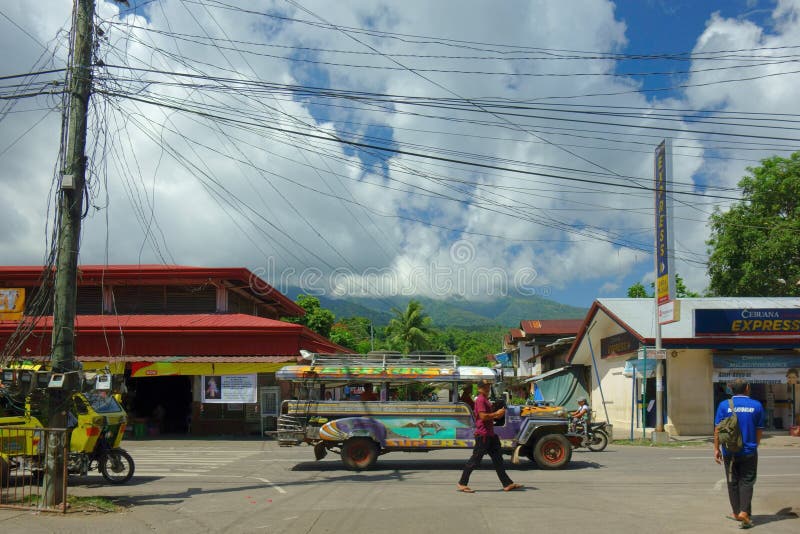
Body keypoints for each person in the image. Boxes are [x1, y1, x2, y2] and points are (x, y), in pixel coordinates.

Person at [714, 379, 765, 530]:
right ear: (748, 388)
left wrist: (716, 449)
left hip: (729, 451)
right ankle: (744, 512)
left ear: (731, 389)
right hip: (749, 451)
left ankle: (739, 512)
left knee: (733, 482)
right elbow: (759, 430)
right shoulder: (757, 406)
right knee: (747, 481)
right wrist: (754, 445)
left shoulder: (724, 405)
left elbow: (717, 429)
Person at [457, 379, 522, 493]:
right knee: (475, 460)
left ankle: (507, 484)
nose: (487, 388)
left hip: (490, 435)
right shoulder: (480, 400)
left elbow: (488, 415)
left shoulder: (485, 400)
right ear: (479, 388)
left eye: (488, 386)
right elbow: (482, 416)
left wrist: (497, 412)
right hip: (483, 435)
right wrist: (496, 414)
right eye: (485, 386)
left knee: (498, 460)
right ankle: (462, 483)